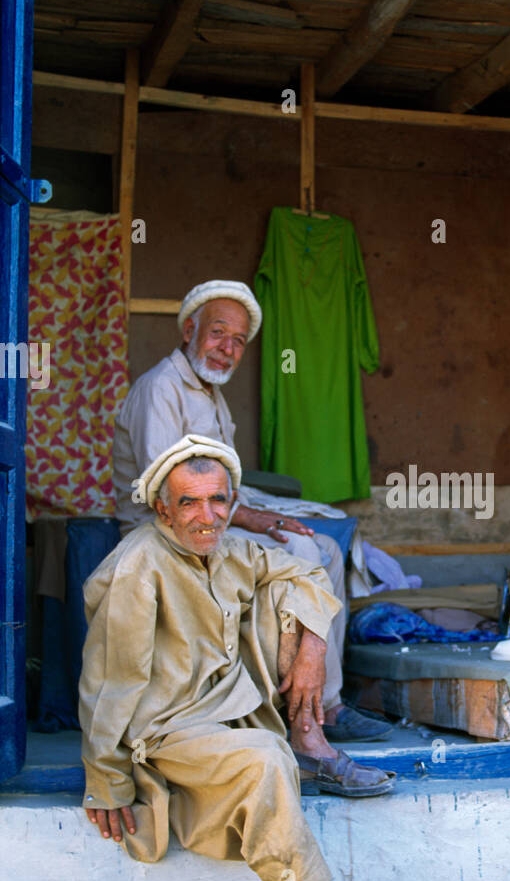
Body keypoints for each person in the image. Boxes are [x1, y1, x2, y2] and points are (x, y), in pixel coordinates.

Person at [80, 435, 391, 881]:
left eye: (218, 500)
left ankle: (309, 739)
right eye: (190, 502)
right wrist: (106, 779)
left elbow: (308, 573)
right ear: (163, 509)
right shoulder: (138, 566)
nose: (207, 516)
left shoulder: (230, 551)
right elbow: (111, 681)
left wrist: (313, 653)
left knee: (289, 593)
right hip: (170, 730)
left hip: (234, 710)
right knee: (263, 759)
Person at [111, 279, 391, 756]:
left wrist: (256, 513)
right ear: (188, 330)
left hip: (212, 526)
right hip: (167, 534)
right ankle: (306, 708)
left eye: (239, 341)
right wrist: (254, 518)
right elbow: (170, 490)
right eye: (219, 333)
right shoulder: (161, 388)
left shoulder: (212, 396)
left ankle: (326, 700)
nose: (228, 349)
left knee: (324, 548)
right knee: (302, 551)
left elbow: (226, 487)